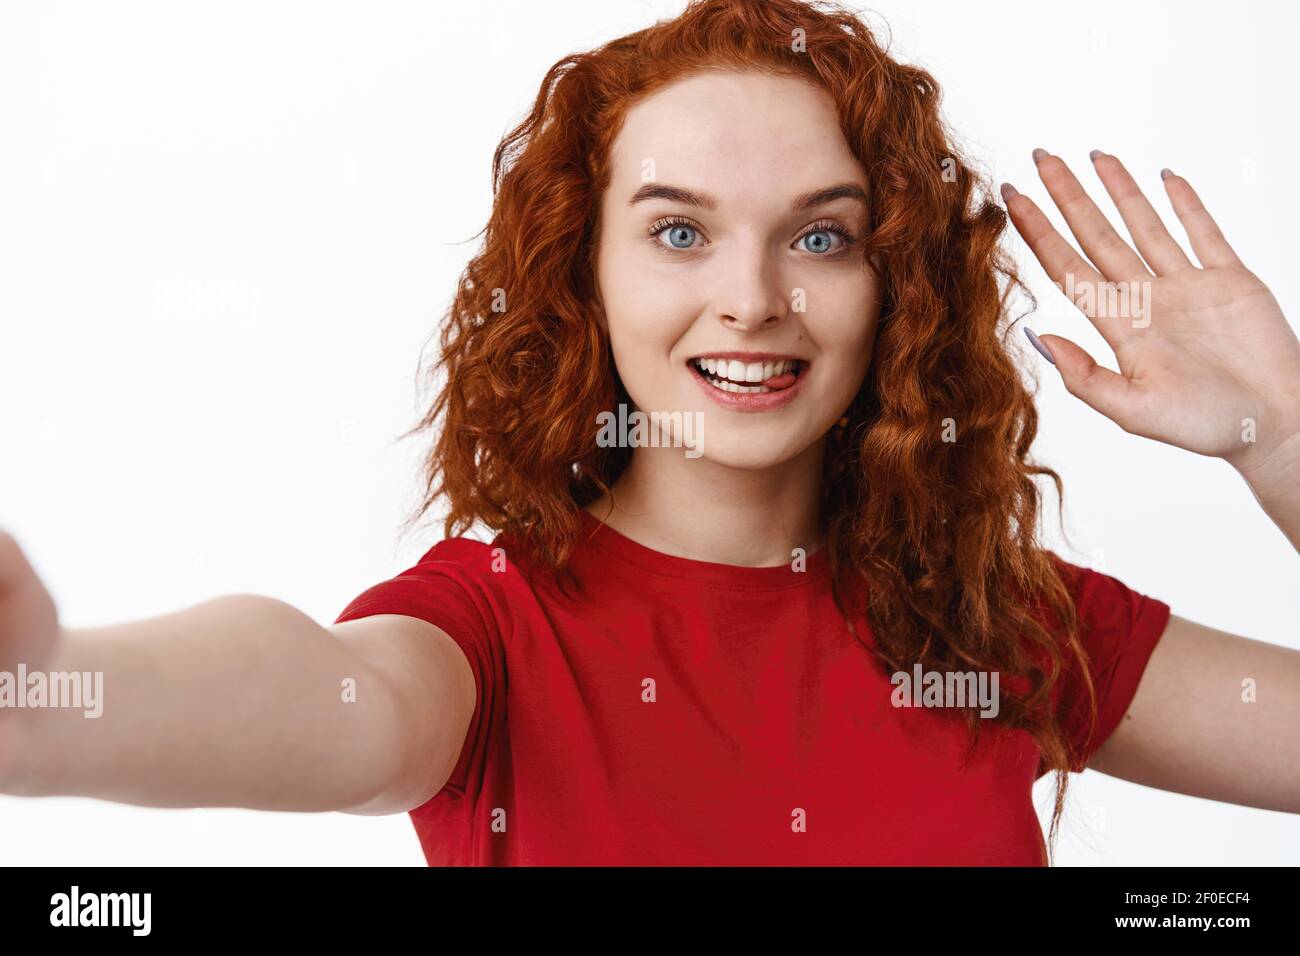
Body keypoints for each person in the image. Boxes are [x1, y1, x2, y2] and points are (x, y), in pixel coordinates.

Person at [2, 0, 1298, 865]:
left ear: (892, 284)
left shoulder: (996, 623)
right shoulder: (491, 631)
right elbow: (317, 696)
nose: (752, 295)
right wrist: (50, 694)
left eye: (821, 234)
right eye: (679, 230)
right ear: (586, 272)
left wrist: (1278, 435)